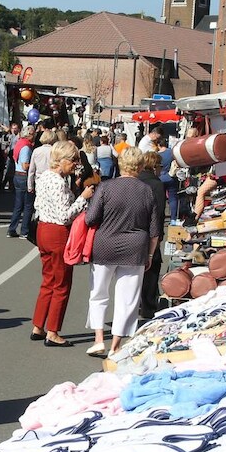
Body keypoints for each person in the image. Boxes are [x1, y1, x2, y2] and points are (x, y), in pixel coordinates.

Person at [84, 147, 162, 357]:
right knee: (127, 298)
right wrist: (150, 255)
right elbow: (155, 230)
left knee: (98, 293)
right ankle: (116, 344)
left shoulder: (106, 187)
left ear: (120, 164)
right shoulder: (147, 191)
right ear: (140, 166)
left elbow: (90, 218)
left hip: (105, 245)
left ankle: (98, 339)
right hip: (135, 248)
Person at [30, 141, 95, 347]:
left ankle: (38, 325)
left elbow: (39, 204)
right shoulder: (58, 182)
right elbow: (65, 216)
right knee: (62, 283)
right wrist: (82, 198)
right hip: (57, 233)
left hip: (43, 229)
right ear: (62, 160)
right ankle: (53, 331)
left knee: (48, 280)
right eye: (73, 160)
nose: (76, 164)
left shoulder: (44, 177)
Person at [137, 151, 167, 321]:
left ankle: (138, 303)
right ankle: (148, 306)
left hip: (135, 229)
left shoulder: (136, 180)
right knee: (152, 268)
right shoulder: (156, 184)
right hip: (150, 230)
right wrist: (159, 235)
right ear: (154, 166)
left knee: (135, 269)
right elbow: (160, 212)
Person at [7, 126, 34, 238]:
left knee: (18, 205)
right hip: (23, 176)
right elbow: (25, 165)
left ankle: (12, 229)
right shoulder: (26, 147)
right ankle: (24, 231)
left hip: (17, 175)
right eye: (32, 134)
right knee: (27, 205)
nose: (34, 136)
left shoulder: (19, 143)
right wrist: (34, 164)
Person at [157, 137, 179, 224]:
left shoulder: (157, 155)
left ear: (158, 145)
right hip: (171, 177)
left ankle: (160, 218)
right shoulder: (172, 152)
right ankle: (173, 219)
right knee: (173, 198)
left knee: (160, 199)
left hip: (160, 178)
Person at [1, 122, 22, 191]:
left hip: (15, 156)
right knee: (9, 171)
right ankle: (8, 186)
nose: (14, 130)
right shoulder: (11, 136)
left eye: (15, 128)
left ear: (18, 129)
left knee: (10, 171)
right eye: (13, 128)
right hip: (10, 155)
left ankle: (6, 186)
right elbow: (9, 143)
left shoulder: (19, 137)